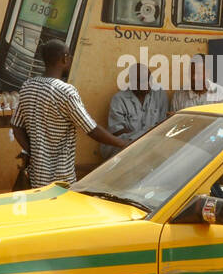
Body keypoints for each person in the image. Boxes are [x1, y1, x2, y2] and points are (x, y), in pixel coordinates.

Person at [12, 38, 129, 188]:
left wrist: (32, 151)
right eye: (69, 56)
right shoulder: (66, 91)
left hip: (35, 176)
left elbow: (16, 126)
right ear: (64, 58)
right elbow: (91, 129)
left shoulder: (28, 86)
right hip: (60, 178)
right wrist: (122, 144)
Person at [100, 61, 168, 159]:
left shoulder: (160, 95)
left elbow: (164, 124)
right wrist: (145, 136)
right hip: (126, 148)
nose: (148, 83)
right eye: (143, 80)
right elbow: (118, 131)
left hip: (152, 147)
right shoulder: (119, 99)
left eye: (149, 79)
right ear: (133, 82)